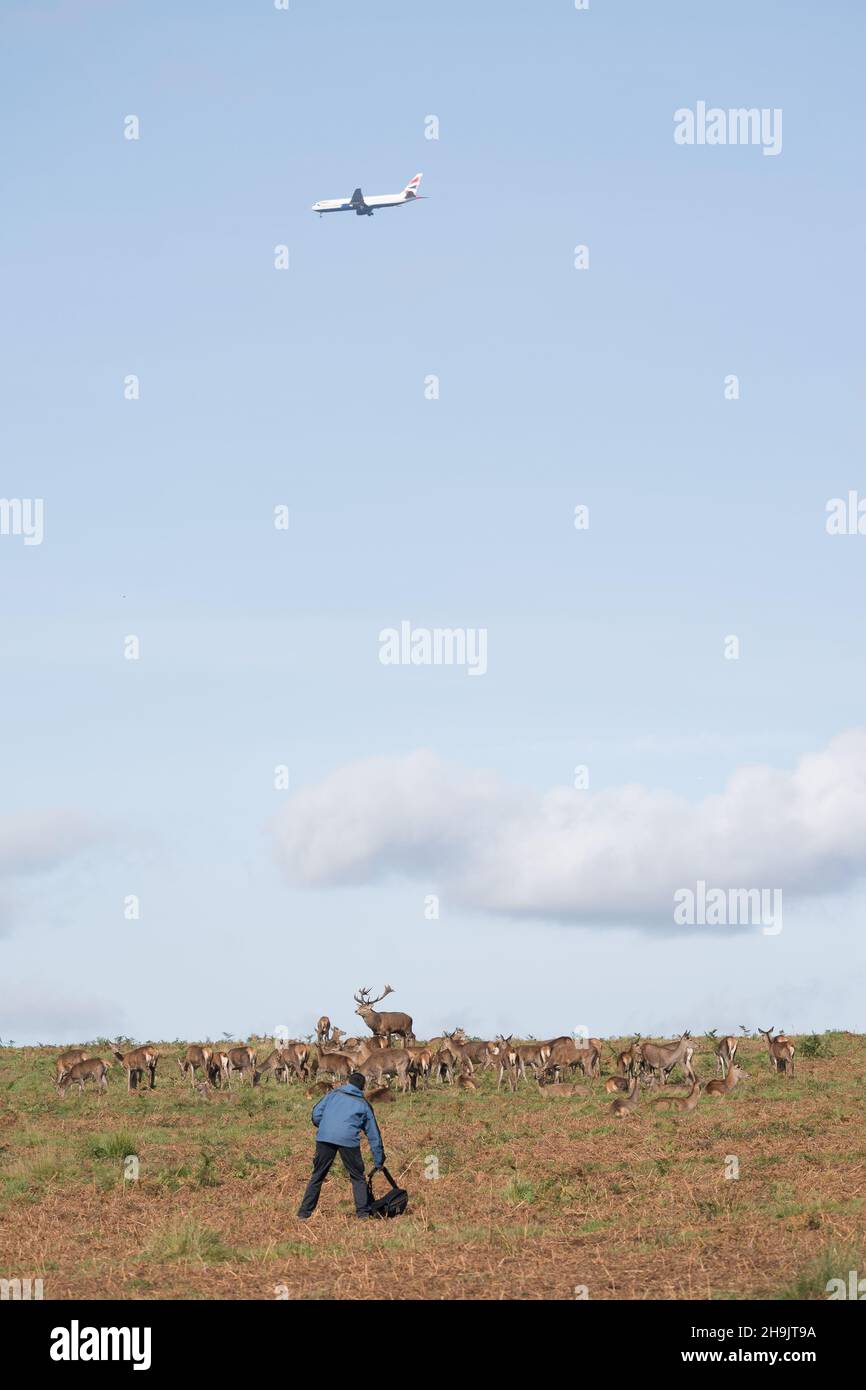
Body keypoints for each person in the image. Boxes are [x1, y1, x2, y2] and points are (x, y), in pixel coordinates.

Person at [297, 1071, 385, 1220]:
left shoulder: (333, 1094)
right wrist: (378, 1160)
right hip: (348, 1140)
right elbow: (374, 1135)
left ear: (348, 1083)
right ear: (363, 1087)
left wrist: (325, 1126)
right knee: (357, 1177)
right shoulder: (364, 1104)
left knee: (318, 1175)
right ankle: (363, 1214)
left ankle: (304, 1213)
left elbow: (316, 1114)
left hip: (324, 1137)